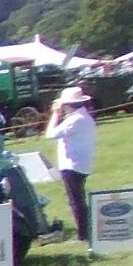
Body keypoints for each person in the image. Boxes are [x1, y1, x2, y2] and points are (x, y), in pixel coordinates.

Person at [46, 84, 97, 248]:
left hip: (72, 164)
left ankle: (84, 234)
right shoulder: (84, 117)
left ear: (68, 104)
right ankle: (86, 230)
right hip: (80, 163)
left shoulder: (75, 120)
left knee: (76, 201)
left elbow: (50, 134)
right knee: (78, 199)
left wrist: (54, 114)